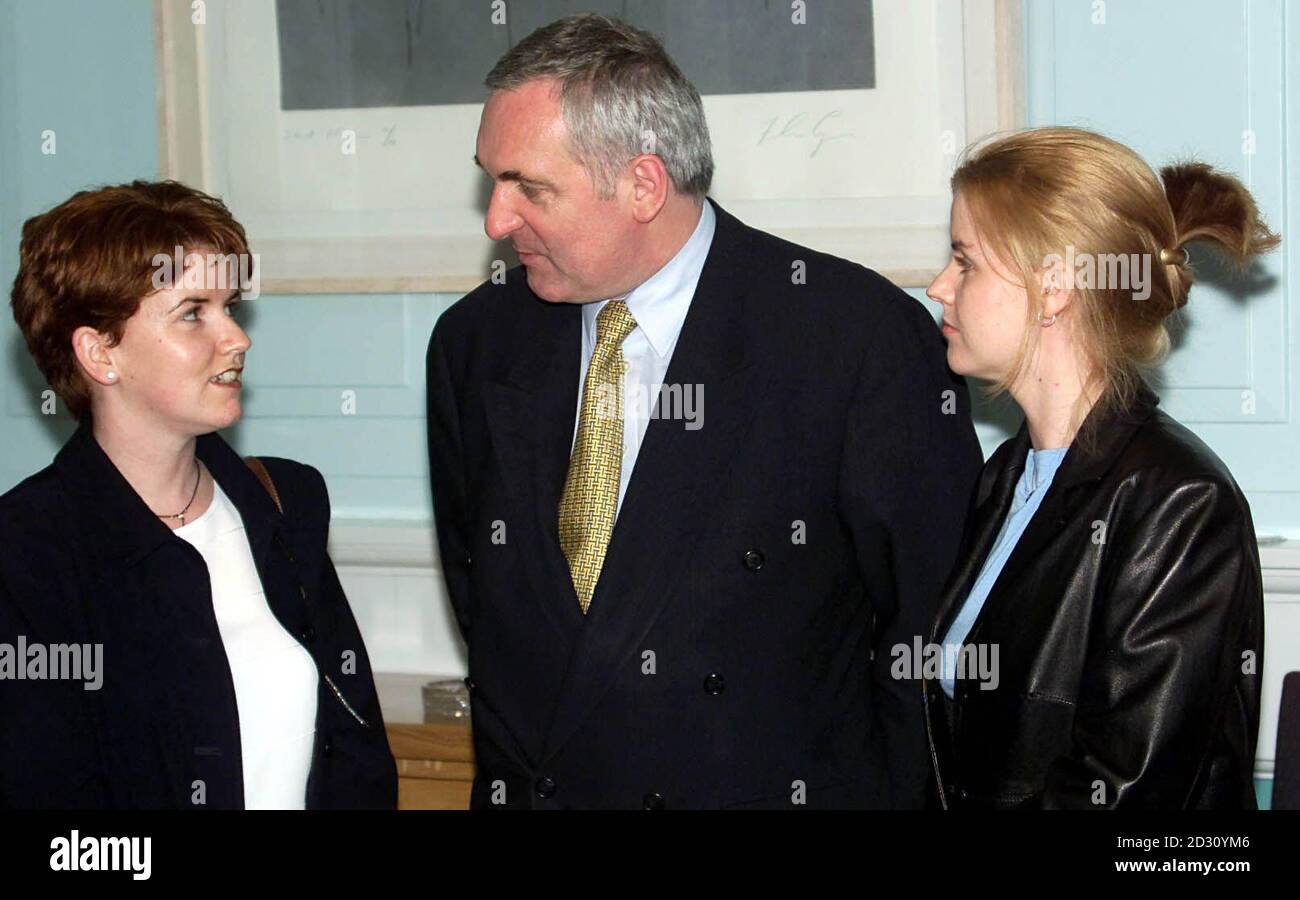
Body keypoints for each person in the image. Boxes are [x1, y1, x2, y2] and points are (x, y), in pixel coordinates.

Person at [425, 13, 982, 809]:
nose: (495, 220)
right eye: (491, 178)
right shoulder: (474, 345)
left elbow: (927, 638)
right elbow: (495, 611)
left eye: (529, 187)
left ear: (643, 186)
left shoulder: (849, 338)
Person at [0, 180, 397, 809]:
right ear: (100, 353)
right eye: (193, 313)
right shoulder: (27, 555)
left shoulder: (285, 502)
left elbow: (357, 754)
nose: (236, 338)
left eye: (230, 307)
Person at [922, 126, 1275, 808]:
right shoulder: (1005, 477)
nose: (938, 285)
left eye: (965, 261)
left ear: (1053, 285)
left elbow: (1124, 791)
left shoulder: (1180, 502)